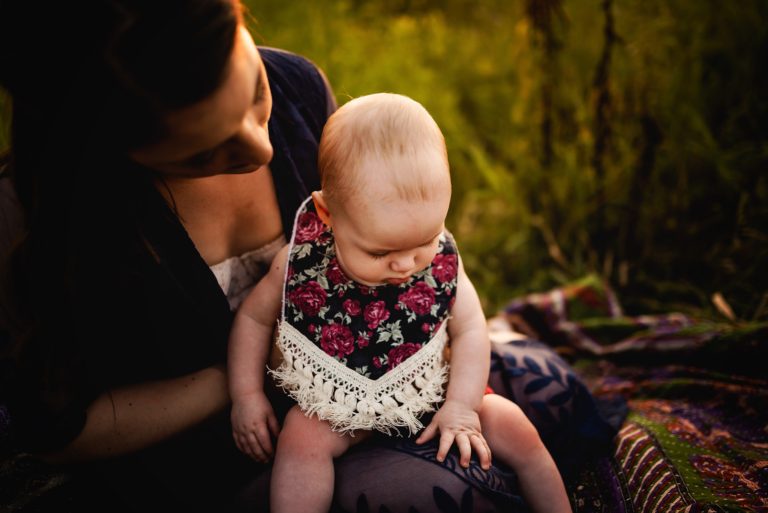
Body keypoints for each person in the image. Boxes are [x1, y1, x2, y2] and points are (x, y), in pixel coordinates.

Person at [0, 1, 620, 511]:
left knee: (551, 395)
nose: (260, 149)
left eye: (253, 93)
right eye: (199, 156)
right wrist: (249, 382)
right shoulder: (43, 216)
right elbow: (59, 428)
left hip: (398, 372)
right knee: (437, 493)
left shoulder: (298, 90)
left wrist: (448, 381)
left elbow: (442, 290)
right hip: (239, 442)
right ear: (104, 146)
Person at [228, 93, 572, 513]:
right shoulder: (300, 262)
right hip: (340, 400)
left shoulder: (441, 258)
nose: (407, 264)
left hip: (430, 390)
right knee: (301, 436)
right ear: (327, 213)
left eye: (425, 240)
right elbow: (253, 320)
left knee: (513, 425)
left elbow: (470, 328)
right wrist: (246, 395)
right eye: (380, 253)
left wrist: (461, 407)